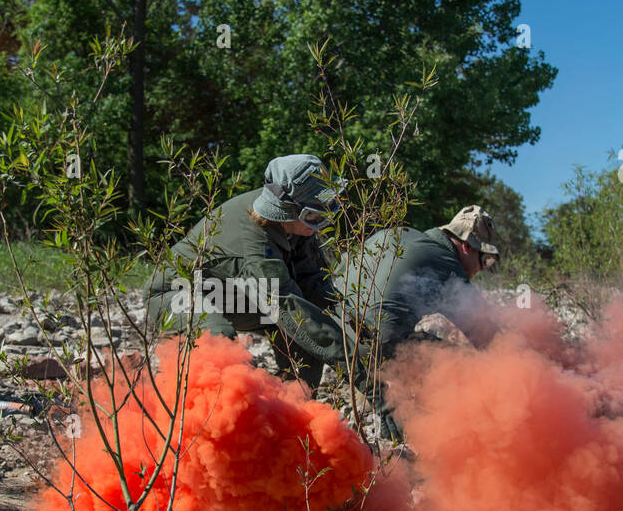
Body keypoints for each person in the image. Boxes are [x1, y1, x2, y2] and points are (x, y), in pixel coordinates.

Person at [145, 154, 360, 389]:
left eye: (330, 207)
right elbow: (287, 307)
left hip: (232, 293)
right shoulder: (256, 243)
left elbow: (314, 286)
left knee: (304, 338)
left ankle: (293, 414)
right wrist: (361, 374)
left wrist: (358, 327)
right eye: (315, 214)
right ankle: (212, 421)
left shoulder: (298, 226)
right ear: (287, 210)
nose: (325, 219)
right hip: (175, 293)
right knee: (220, 343)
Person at [336, 205, 501, 441]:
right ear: (466, 246)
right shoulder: (447, 264)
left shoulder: (398, 234)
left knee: (410, 336)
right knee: (464, 365)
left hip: (334, 338)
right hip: (372, 348)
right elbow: (489, 339)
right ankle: (454, 441)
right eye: (484, 261)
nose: (481, 270)